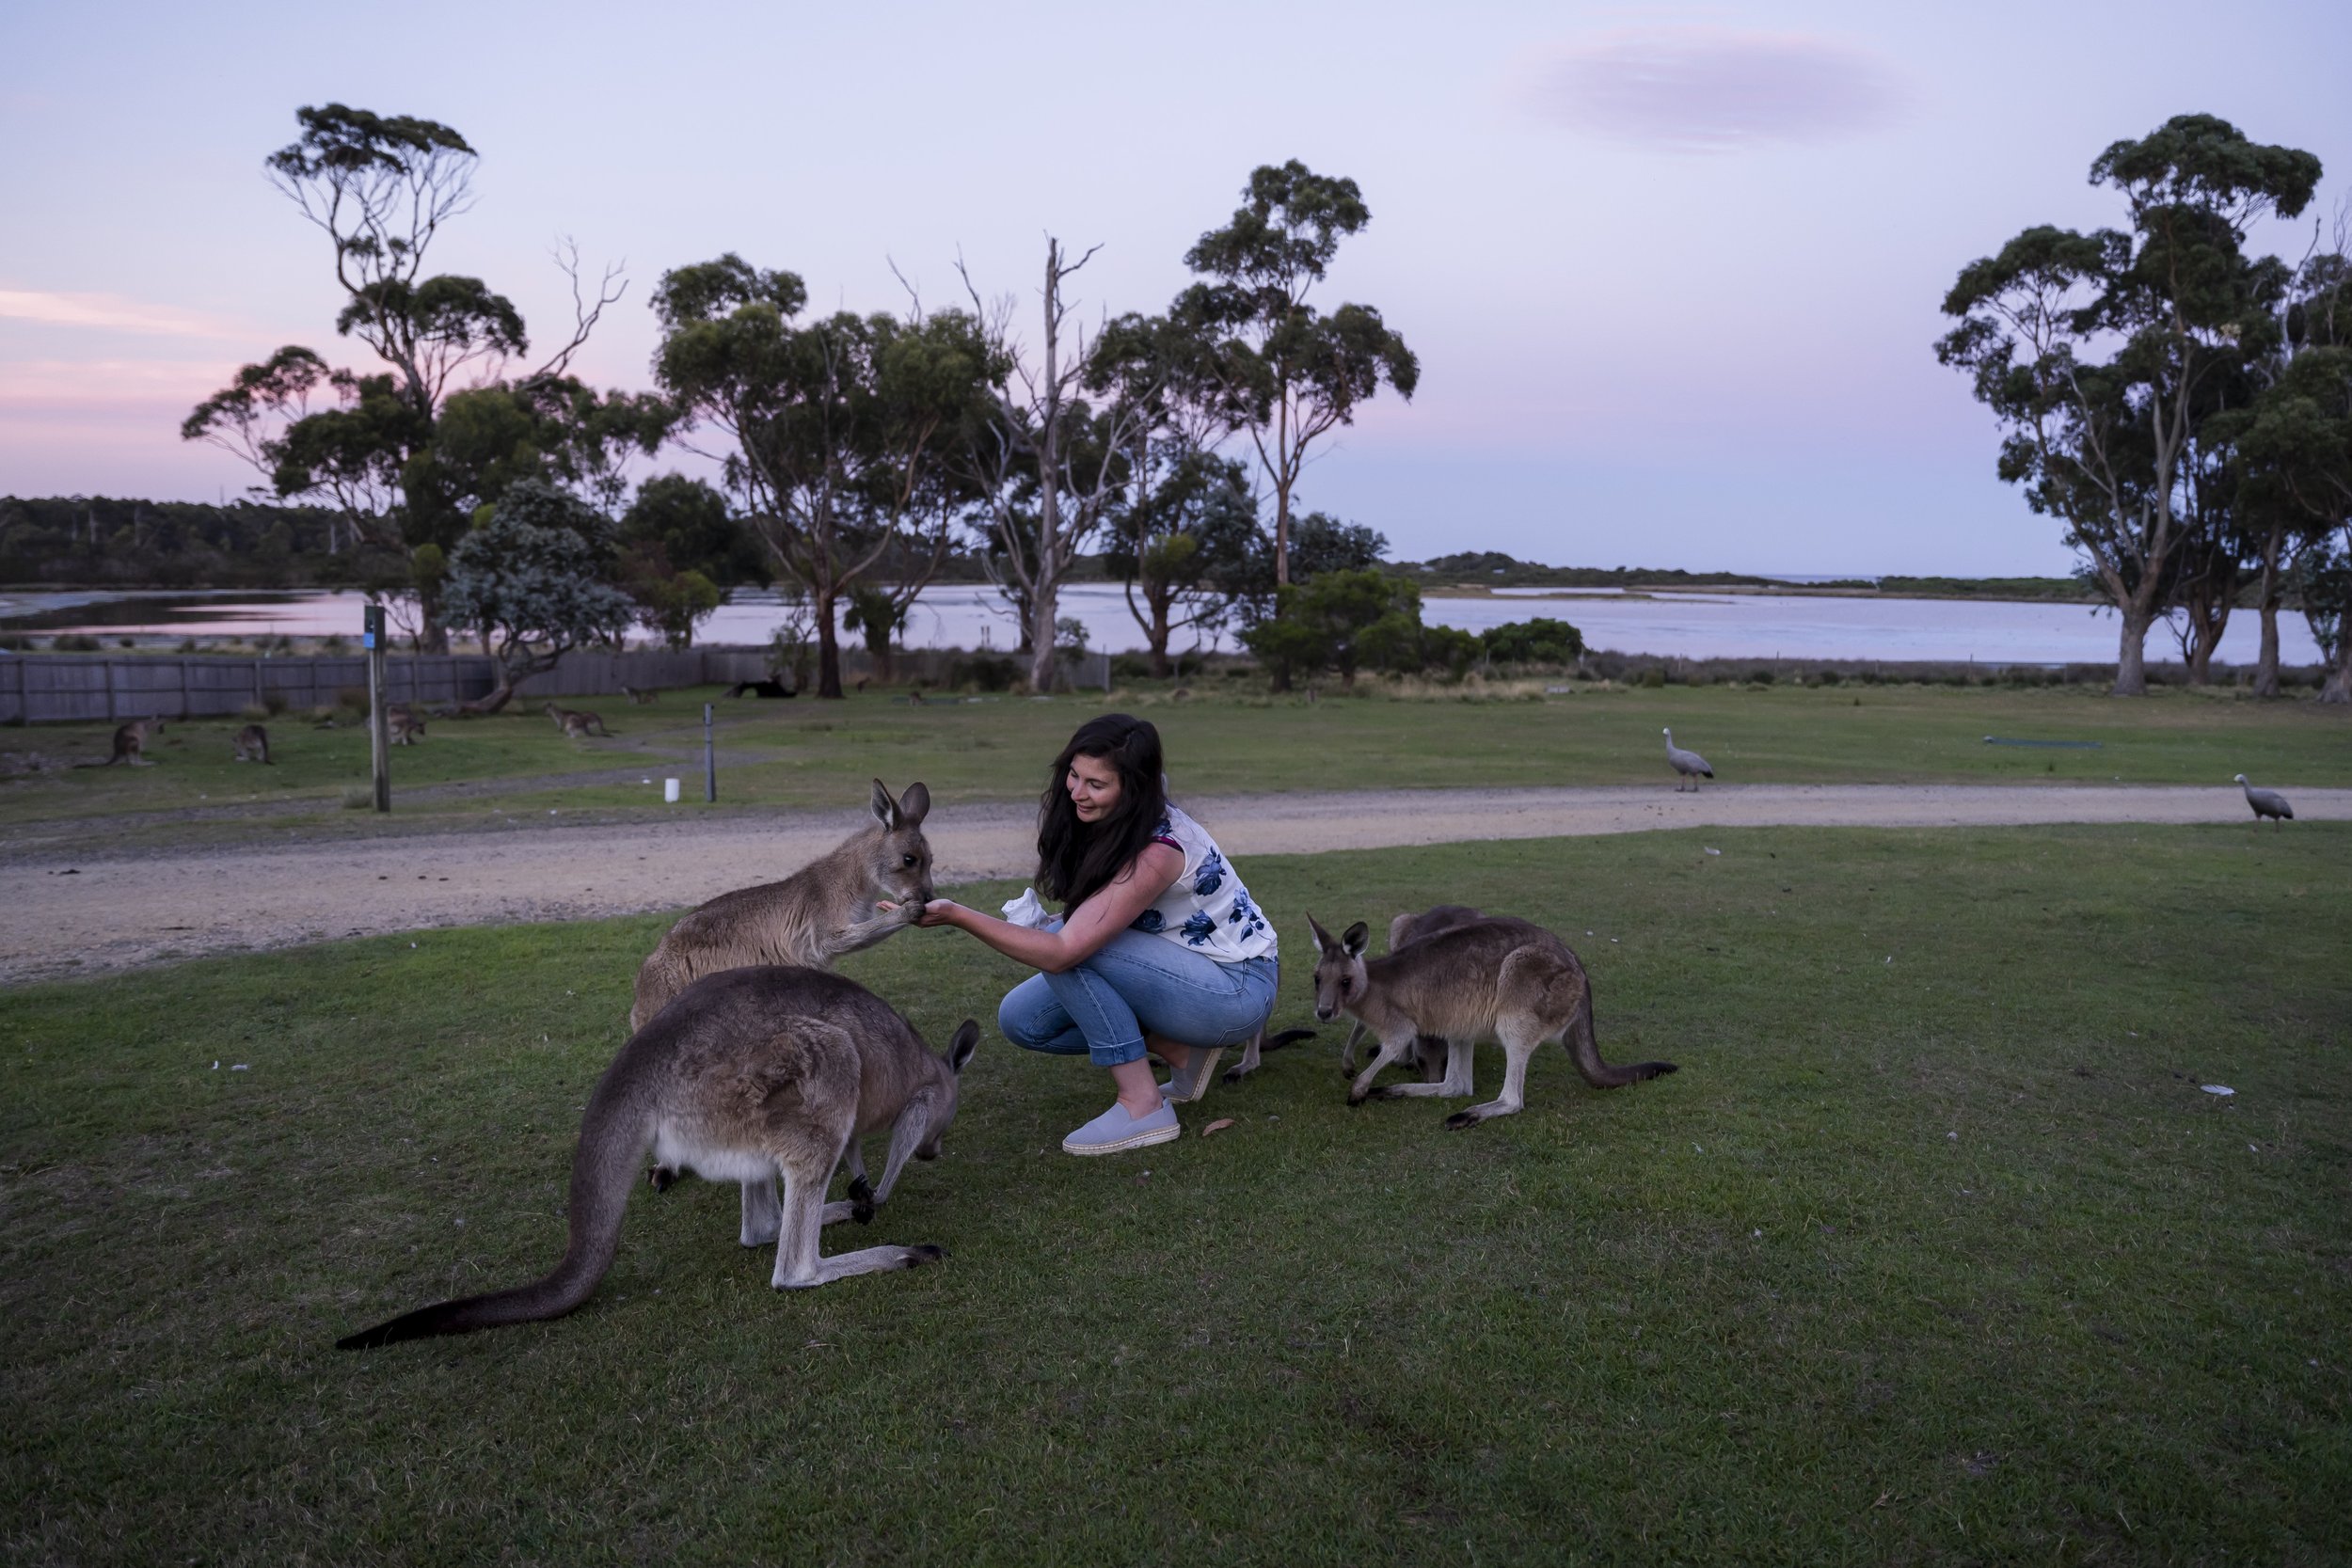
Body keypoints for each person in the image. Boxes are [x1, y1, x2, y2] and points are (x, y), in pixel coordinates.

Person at [910, 713, 1278, 1156]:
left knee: (1065, 947)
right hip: (1181, 973)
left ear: (1133, 788)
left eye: (1096, 784)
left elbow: (1063, 950)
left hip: (1237, 988)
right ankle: (1180, 1050)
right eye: (1074, 775)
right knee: (1023, 1020)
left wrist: (957, 914)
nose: (1077, 792)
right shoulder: (1113, 824)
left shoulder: (1161, 849)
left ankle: (1142, 1105)